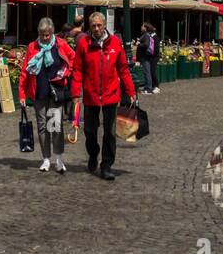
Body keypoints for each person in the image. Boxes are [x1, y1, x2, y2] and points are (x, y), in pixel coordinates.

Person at [72, 11, 136, 181]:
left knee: (110, 132)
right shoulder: (84, 44)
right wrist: (75, 93)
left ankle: (106, 165)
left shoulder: (115, 43)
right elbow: (77, 69)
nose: (97, 28)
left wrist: (130, 91)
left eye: (99, 25)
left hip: (111, 94)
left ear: (105, 25)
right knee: (90, 131)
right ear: (89, 26)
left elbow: (123, 69)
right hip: (91, 94)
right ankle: (93, 153)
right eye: (93, 25)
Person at [19, 17, 79, 173]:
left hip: (56, 91)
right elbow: (25, 71)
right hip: (39, 91)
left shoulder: (60, 44)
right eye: (42, 34)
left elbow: (73, 58)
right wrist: (22, 94)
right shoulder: (32, 47)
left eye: (47, 34)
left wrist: (66, 72)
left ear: (52, 32)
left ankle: (59, 158)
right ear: (39, 33)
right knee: (42, 127)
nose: (45, 38)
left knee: (55, 126)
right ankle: (46, 159)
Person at [136, 21, 160, 94]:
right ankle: (151, 86)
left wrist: (139, 44)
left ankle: (154, 87)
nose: (141, 27)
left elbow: (147, 45)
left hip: (152, 57)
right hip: (149, 57)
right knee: (149, 72)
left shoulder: (148, 36)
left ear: (146, 28)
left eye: (142, 26)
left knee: (150, 72)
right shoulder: (147, 35)